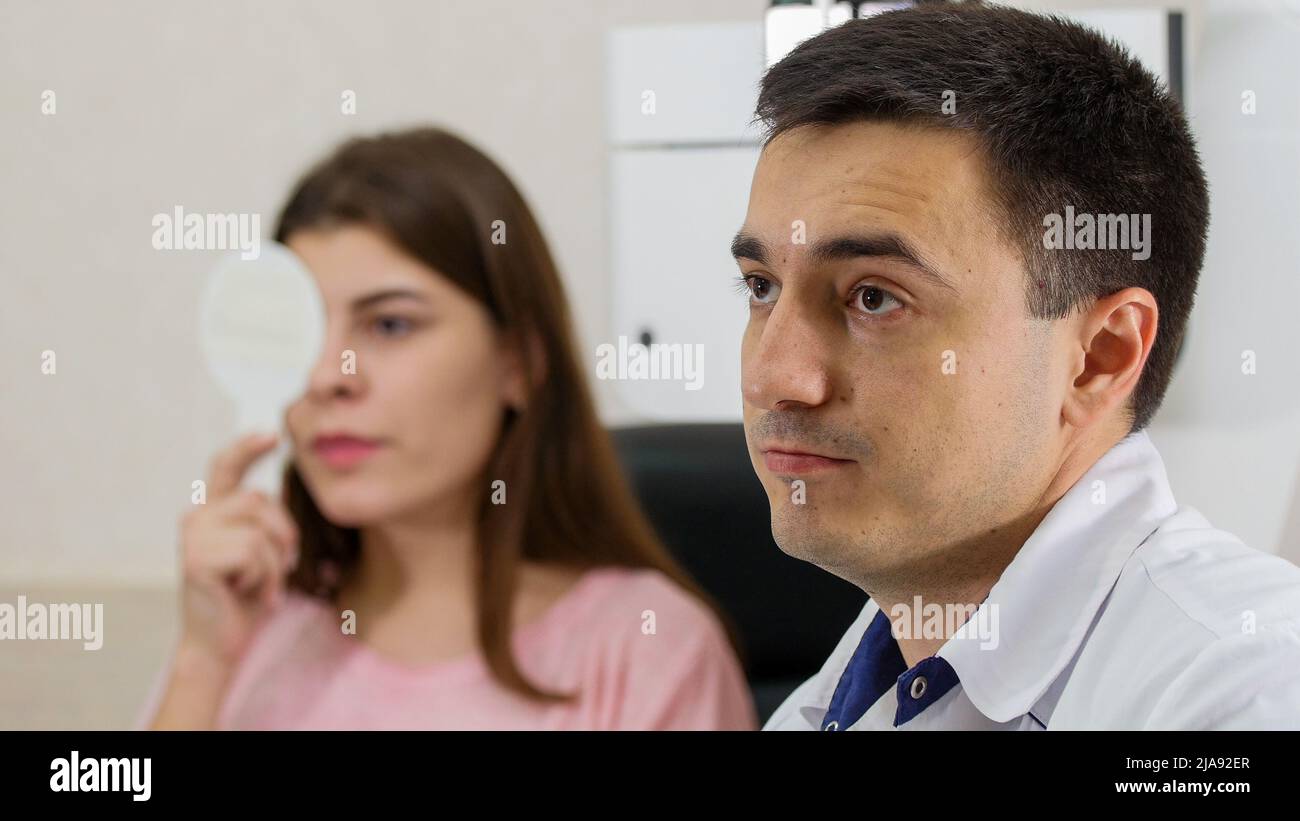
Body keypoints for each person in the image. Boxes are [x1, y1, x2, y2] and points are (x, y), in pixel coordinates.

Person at [732, 4, 1300, 730]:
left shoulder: (1249, 690)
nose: (772, 377)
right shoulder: (841, 696)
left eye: (873, 297)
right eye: (761, 286)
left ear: (1100, 357)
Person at [141, 126, 756, 730]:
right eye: (301, 331)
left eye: (389, 326)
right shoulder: (247, 628)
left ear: (518, 362)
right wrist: (202, 662)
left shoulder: (648, 651)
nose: (328, 375)